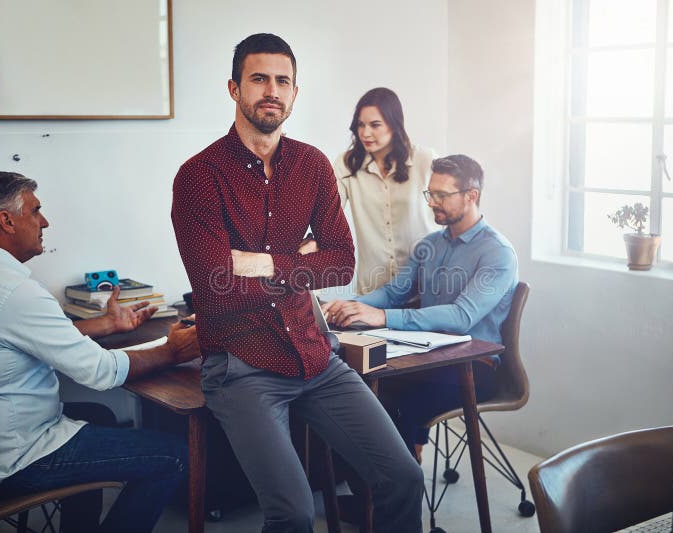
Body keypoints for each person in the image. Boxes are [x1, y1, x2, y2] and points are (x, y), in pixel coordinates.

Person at [171, 33, 423, 532]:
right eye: (259, 78)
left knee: (403, 476)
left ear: (295, 92)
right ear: (234, 88)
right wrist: (296, 263)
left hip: (315, 357)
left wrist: (262, 262)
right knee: (294, 512)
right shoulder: (199, 176)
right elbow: (217, 285)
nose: (271, 90)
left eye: (282, 80)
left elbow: (340, 264)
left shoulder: (311, 166)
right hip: (242, 367)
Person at [0, 171, 201, 533]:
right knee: (175, 455)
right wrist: (171, 351)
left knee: (98, 415)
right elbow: (100, 373)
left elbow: (20, 335)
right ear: (6, 220)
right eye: (35, 211)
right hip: (18, 458)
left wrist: (104, 325)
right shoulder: (15, 292)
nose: (45, 222)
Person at [323, 155, 518, 463]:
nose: (432, 203)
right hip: (426, 358)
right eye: (430, 193)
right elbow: (394, 292)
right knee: (358, 388)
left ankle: (396, 496)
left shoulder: (498, 253)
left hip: (475, 368)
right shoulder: (430, 244)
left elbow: (461, 317)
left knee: (395, 401)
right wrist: (355, 305)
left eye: (442, 195)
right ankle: (370, 490)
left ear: (472, 196)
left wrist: (382, 317)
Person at [334, 87, 438, 295]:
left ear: (394, 124)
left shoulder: (425, 160)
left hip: (425, 288)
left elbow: (449, 209)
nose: (365, 133)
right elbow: (327, 215)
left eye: (375, 125)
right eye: (361, 125)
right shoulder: (346, 164)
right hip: (374, 291)